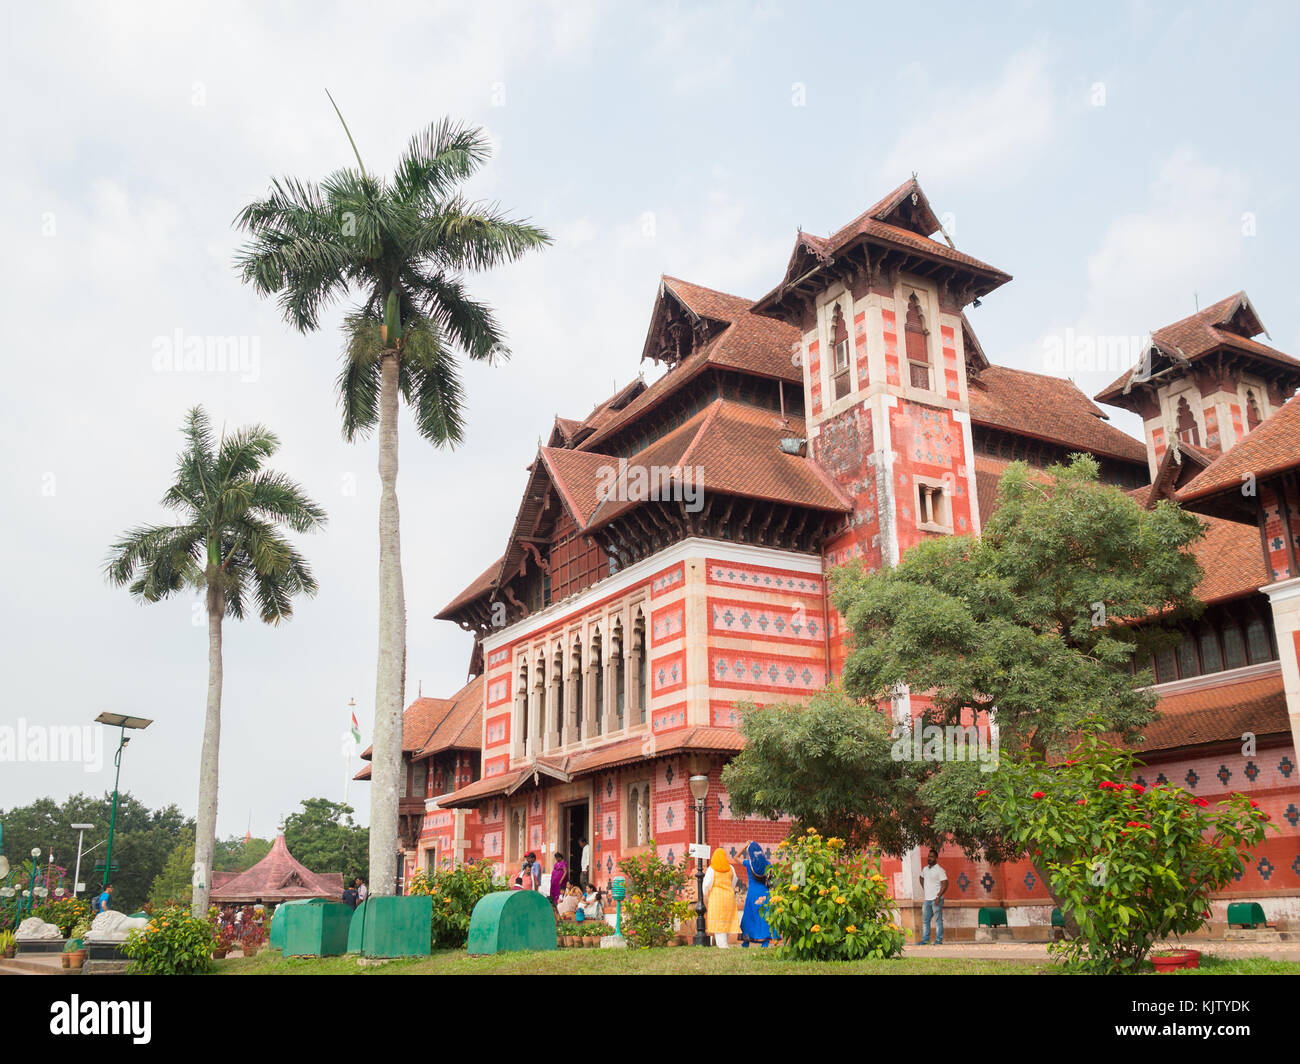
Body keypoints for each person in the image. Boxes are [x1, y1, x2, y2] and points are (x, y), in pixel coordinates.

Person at [702, 848, 740, 948]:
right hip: (729, 898)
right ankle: (724, 943)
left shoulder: (712, 869)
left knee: (718, 922)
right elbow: (734, 881)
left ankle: (723, 946)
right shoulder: (731, 868)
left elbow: (706, 885)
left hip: (716, 898)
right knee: (727, 920)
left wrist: (706, 893)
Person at [739, 842, 772, 948]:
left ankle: (746, 942)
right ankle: (765, 942)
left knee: (750, 916)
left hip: (752, 894)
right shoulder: (767, 864)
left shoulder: (749, 864)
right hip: (765, 893)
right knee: (764, 917)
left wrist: (745, 846)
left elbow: (735, 857)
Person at [919, 849, 948, 945]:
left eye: (931, 857)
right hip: (927, 899)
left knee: (938, 920)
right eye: (929, 856)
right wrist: (925, 889)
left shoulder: (939, 870)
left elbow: (945, 883)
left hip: (936, 899)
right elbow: (921, 878)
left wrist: (938, 896)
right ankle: (925, 940)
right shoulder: (925, 869)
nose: (929, 858)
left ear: (936, 858)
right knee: (925, 920)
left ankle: (939, 940)